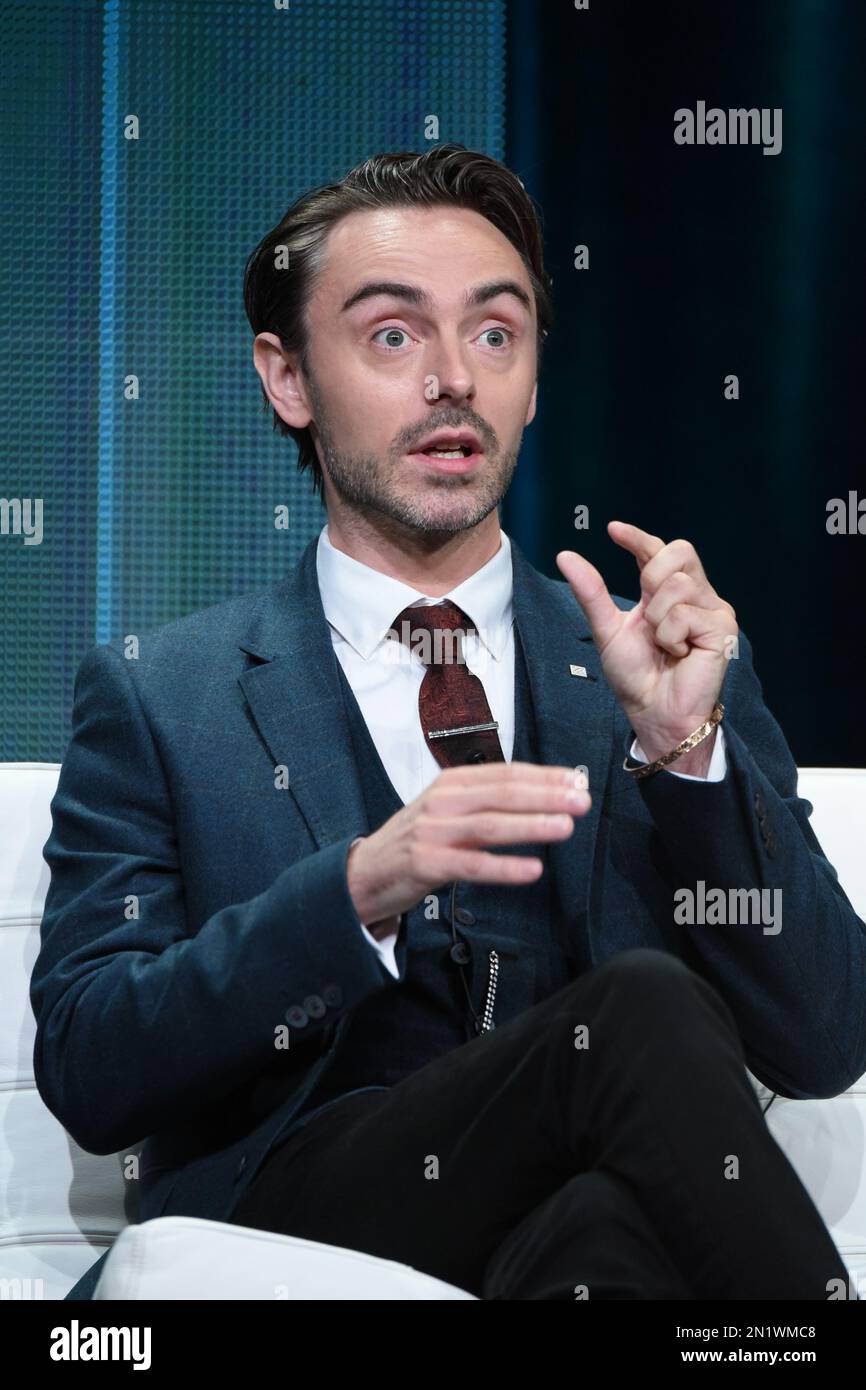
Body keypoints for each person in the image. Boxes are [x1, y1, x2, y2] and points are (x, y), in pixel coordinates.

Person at [33, 144, 865, 1301]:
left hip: (572, 1213)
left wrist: (687, 758)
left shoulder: (661, 661)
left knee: (599, 1239)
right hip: (292, 1214)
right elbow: (91, 1058)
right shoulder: (164, 696)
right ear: (287, 379)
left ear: (530, 379)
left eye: (493, 335)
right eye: (391, 335)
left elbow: (824, 1040)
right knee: (631, 1011)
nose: (453, 381)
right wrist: (358, 888)